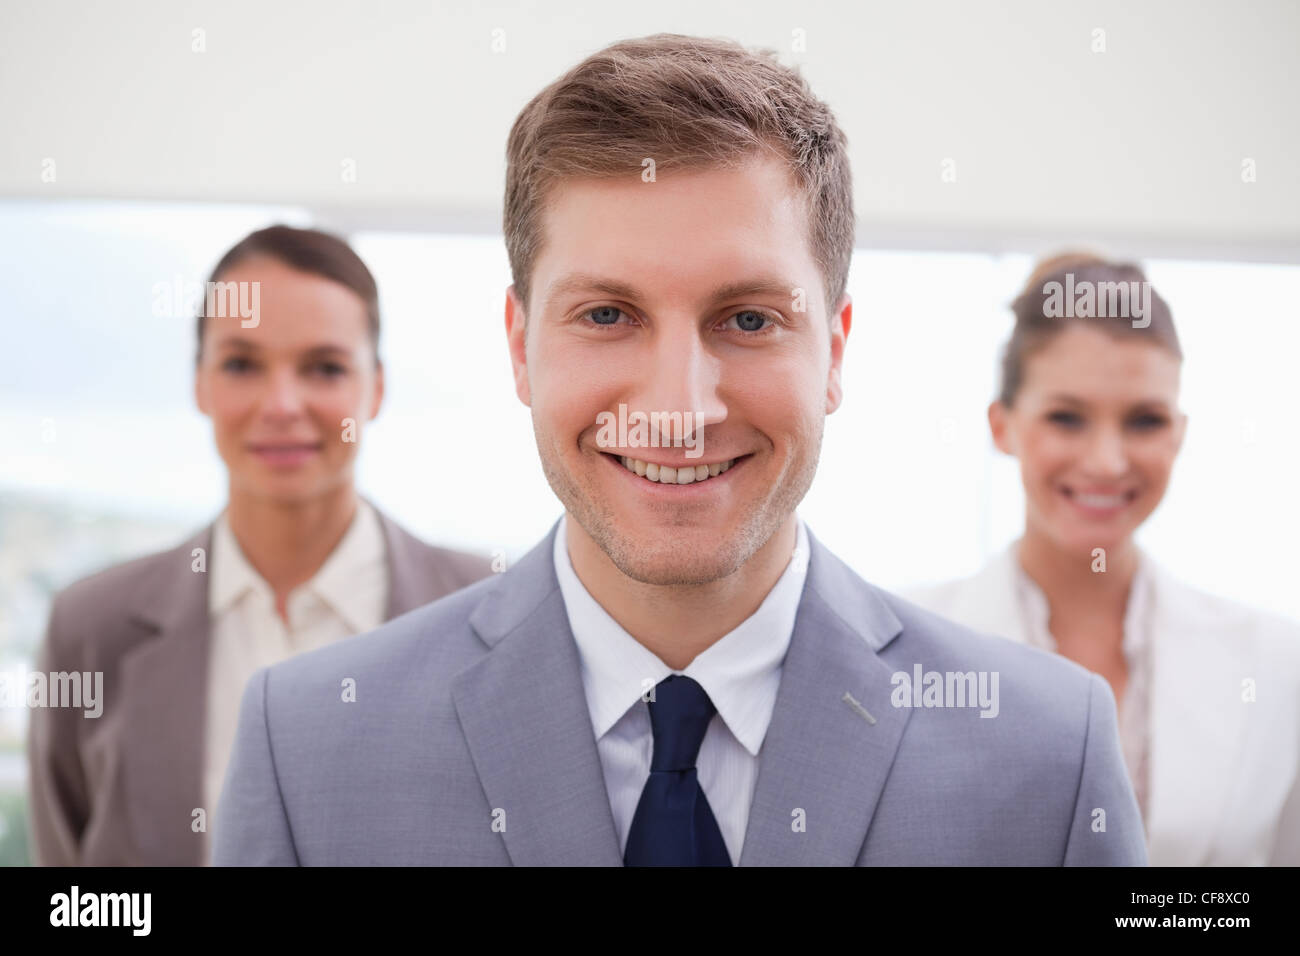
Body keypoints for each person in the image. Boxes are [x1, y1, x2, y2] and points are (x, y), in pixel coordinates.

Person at [214, 35, 1146, 866]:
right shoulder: (308, 749)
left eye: (747, 318)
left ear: (836, 350)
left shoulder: (1048, 758)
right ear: (519, 345)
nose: (678, 407)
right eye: (608, 315)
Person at [27, 225, 493, 865]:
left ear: (376, 389)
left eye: (324, 368)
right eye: (242, 364)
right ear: (200, 383)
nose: (281, 404)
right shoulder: (91, 627)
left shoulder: (488, 614)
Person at [903, 252, 1300, 865]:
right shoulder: (902, 654)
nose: (1107, 462)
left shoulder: (1277, 665)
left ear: (1179, 433)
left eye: (1145, 420)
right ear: (1002, 426)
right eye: (1067, 417)